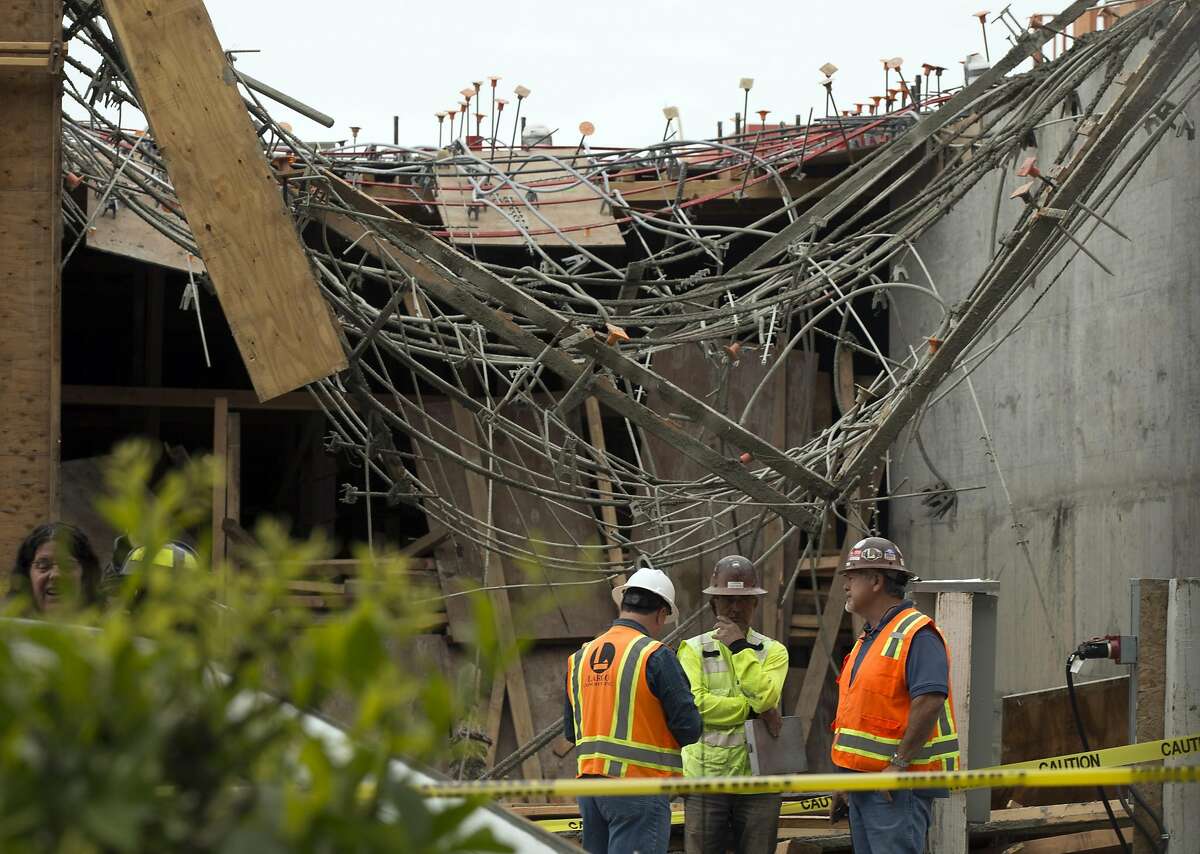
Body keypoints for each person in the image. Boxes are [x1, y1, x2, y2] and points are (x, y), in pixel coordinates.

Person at [828, 537, 959, 854]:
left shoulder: (917, 633)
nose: (845, 583)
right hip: (867, 785)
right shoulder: (870, 638)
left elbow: (929, 700)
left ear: (876, 581)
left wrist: (898, 766)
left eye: (853, 575)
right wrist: (847, 779)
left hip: (895, 787)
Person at [564, 566, 702, 854]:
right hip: (639, 788)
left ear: (623, 603)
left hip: (590, 789)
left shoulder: (580, 657)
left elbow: (570, 732)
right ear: (662, 613)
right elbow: (689, 728)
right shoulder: (655, 655)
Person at [678, 555, 789, 854]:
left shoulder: (773, 651)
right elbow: (696, 706)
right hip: (705, 780)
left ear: (755, 604)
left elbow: (767, 697)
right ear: (713, 603)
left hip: (758, 781)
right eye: (727, 600)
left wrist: (739, 647)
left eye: (743, 600)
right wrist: (751, 710)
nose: (736, 608)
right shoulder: (692, 650)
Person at [9, 522, 103, 612]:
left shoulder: (109, 627)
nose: (56, 575)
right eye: (43, 566)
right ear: (26, 578)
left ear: (85, 577)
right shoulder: (7, 628)